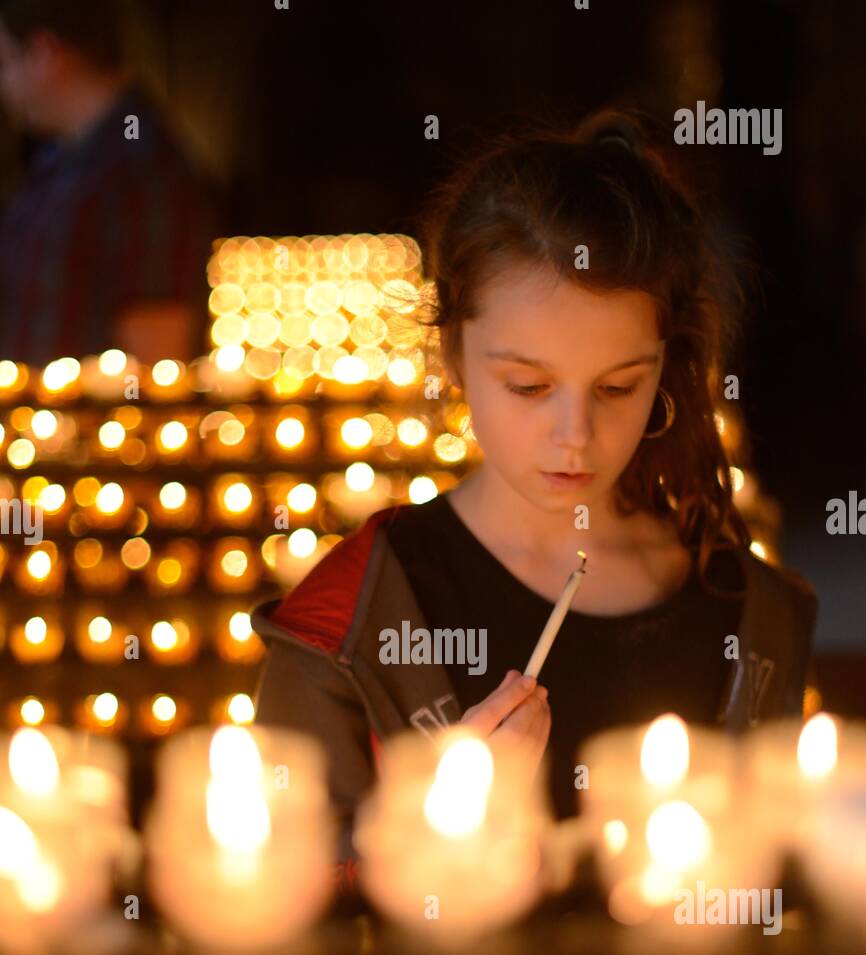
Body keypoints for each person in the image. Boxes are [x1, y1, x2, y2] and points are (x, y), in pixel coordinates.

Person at [251, 109, 817, 890]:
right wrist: (427, 833)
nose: (575, 435)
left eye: (619, 386)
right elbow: (260, 900)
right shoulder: (351, 624)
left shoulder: (749, 615)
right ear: (452, 353)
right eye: (528, 385)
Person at [0, 0, 217, 363]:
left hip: (89, 420)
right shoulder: (58, 160)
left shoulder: (142, 168)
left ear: (46, 54)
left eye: (4, 63)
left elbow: (156, 360)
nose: (4, 85)